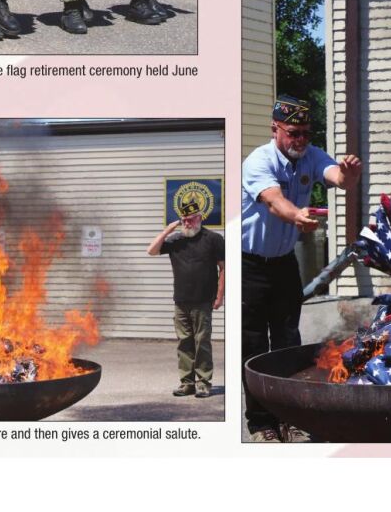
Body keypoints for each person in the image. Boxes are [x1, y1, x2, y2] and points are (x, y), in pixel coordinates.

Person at [241, 98, 361, 443]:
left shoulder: (310, 154)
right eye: (294, 133)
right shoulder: (259, 161)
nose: (301, 141)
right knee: (254, 349)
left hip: (282, 265)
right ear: (275, 130)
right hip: (248, 266)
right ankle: (261, 422)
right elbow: (275, 201)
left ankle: (291, 416)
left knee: (288, 343)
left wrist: (349, 174)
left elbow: (336, 176)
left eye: (306, 134)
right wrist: (297, 216)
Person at [147, 195, 225, 399]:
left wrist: (220, 296)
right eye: (184, 219)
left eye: (191, 218)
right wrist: (167, 230)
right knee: (184, 343)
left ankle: (203, 383)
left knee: (202, 342)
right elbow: (151, 251)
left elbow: (223, 268)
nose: (187, 223)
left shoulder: (213, 239)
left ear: (200, 217)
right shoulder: (175, 240)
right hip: (180, 300)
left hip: (203, 300)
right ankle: (187, 383)